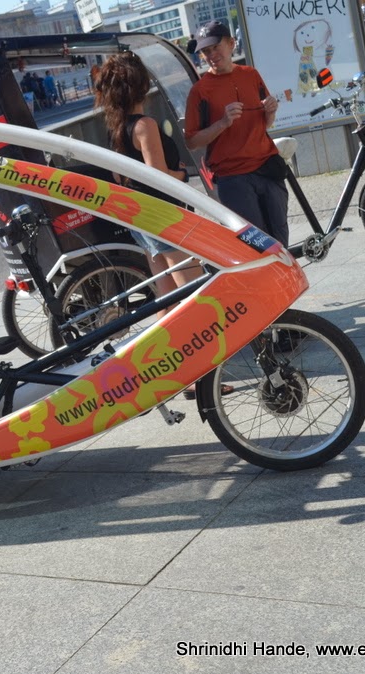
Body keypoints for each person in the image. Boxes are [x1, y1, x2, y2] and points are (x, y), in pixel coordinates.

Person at [96, 52, 225, 399]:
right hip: (165, 217)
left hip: (142, 220)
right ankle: (203, 376)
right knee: (193, 297)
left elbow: (122, 178)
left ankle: (175, 374)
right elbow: (158, 176)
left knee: (166, 301)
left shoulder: (117, 129)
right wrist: (181, 172)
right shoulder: (145, 125)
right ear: (141, 85)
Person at [184, 20, 290, 247]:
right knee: (255, 247)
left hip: (267, 168)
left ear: (231, 44)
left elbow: (264, 124)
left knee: (281, 244)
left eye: (215, 46)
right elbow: (191, 141)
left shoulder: (251, 74)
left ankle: (284, 282)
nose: (211, 54)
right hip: (233, 178)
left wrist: (270, 111)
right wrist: (222, 123)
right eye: (205, 51)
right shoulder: (199, 91)